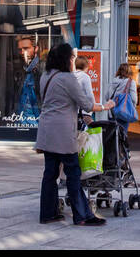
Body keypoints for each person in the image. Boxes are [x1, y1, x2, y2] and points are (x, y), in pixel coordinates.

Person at [35, 43, 114, 226]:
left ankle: (48, 214)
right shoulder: (67, 78)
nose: (73, 60)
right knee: (73, 172)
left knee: (50, 173)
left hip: (46, 130)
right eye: (71, 57)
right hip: (62, 132)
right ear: (65, 59)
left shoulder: (45, 76)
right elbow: (87, 105)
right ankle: (82, 216)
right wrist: (106, 106)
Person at [107, 63, 138, 130]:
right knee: (122, 134)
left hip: (112, 112)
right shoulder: (131, 82)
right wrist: (132, 108)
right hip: (124, 111)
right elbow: (134, 99)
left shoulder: (113, 81)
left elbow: (107, 96)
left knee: (112, 134)